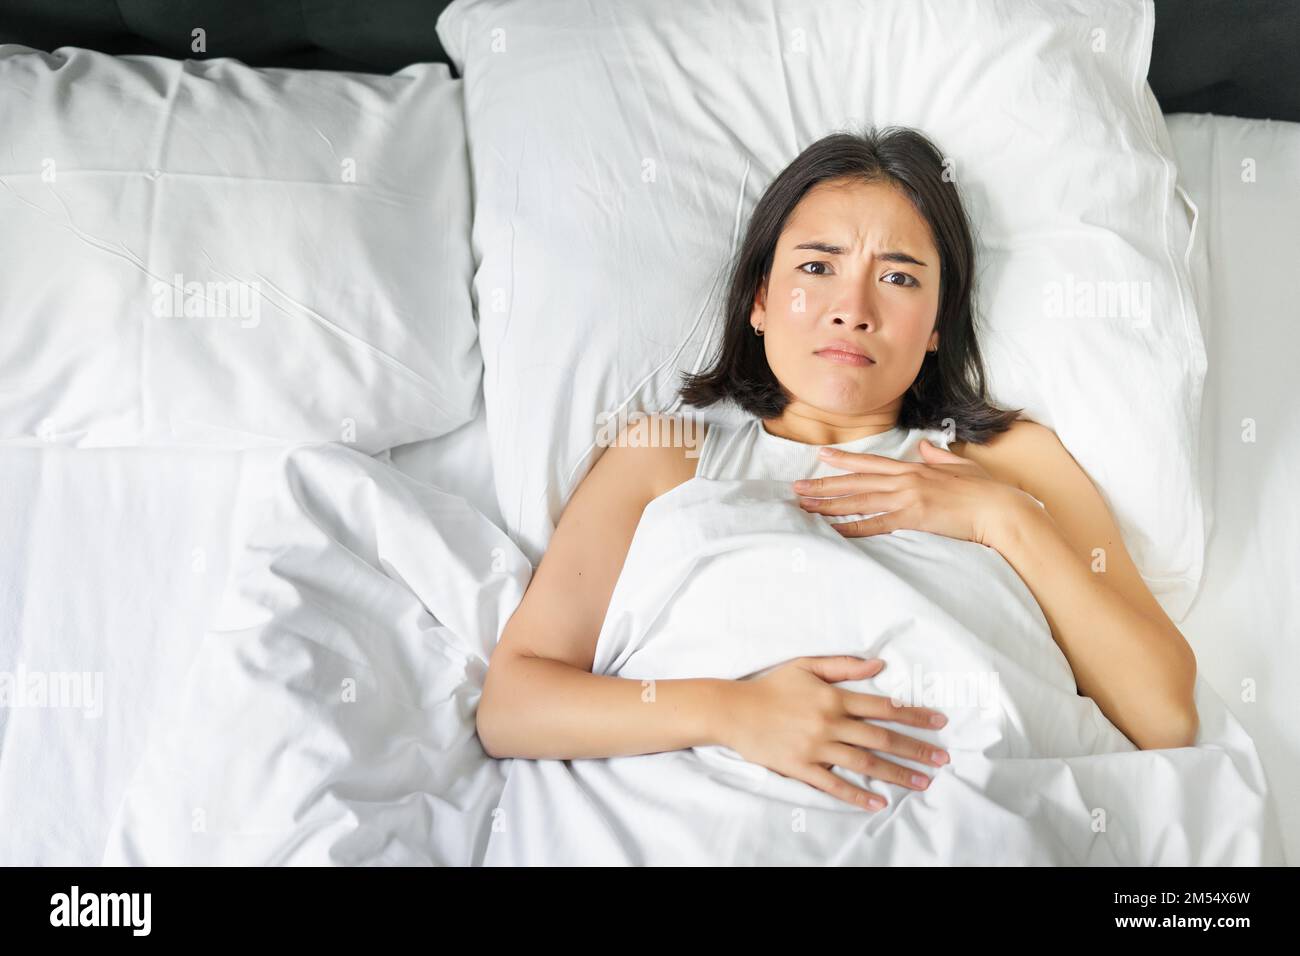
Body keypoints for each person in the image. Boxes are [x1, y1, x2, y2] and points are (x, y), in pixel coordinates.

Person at [476, 126, 1199, 812]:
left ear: (939, 322)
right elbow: (513, 705)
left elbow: (1164, 715)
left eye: (899, 278)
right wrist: (733, 711)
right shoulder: (662, 455)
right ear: (760, 298)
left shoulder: (1014, 463)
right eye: (817, 267)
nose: (853, 310)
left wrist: (1000, 519)